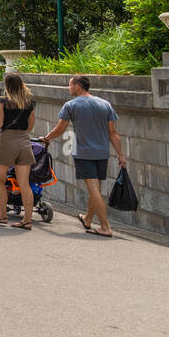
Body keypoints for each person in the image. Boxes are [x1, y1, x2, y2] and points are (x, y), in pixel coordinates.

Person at [41, 75, 126, 237]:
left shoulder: (71, 105)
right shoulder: (104, 104)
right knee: (96, 188)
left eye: (70, 85)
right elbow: (113, 133)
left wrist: (46, 138)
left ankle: (105, 227)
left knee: (93, 189)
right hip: (102, 153)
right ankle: (87, 219)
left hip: (84, 153)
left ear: (78, 87)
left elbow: (60, 130)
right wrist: (121, 155)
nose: (68, 88)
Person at [0, 73, 37, 228]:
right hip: (24, 140)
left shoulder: (2, 102)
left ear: (7, 86)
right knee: (24, 183)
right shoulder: (29, 103)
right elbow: (31, 126)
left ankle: (3, 216)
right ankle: (27, 220)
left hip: (7, 141)